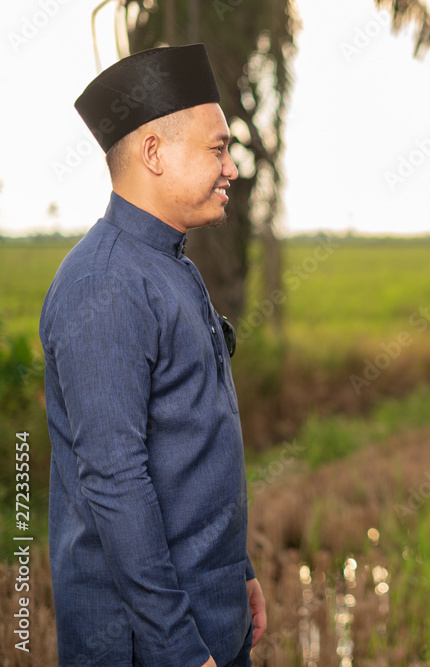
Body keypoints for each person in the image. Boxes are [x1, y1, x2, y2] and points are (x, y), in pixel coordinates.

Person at [41, 44, 265, 667]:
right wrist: (179, 651)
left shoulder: (171, 266)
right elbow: (116, 484)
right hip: (148, 647)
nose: (232, 169)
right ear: (154, 153)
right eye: (218, 149)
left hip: (211, 617)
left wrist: (238, 572)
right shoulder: (106, 285)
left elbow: (193, 439)